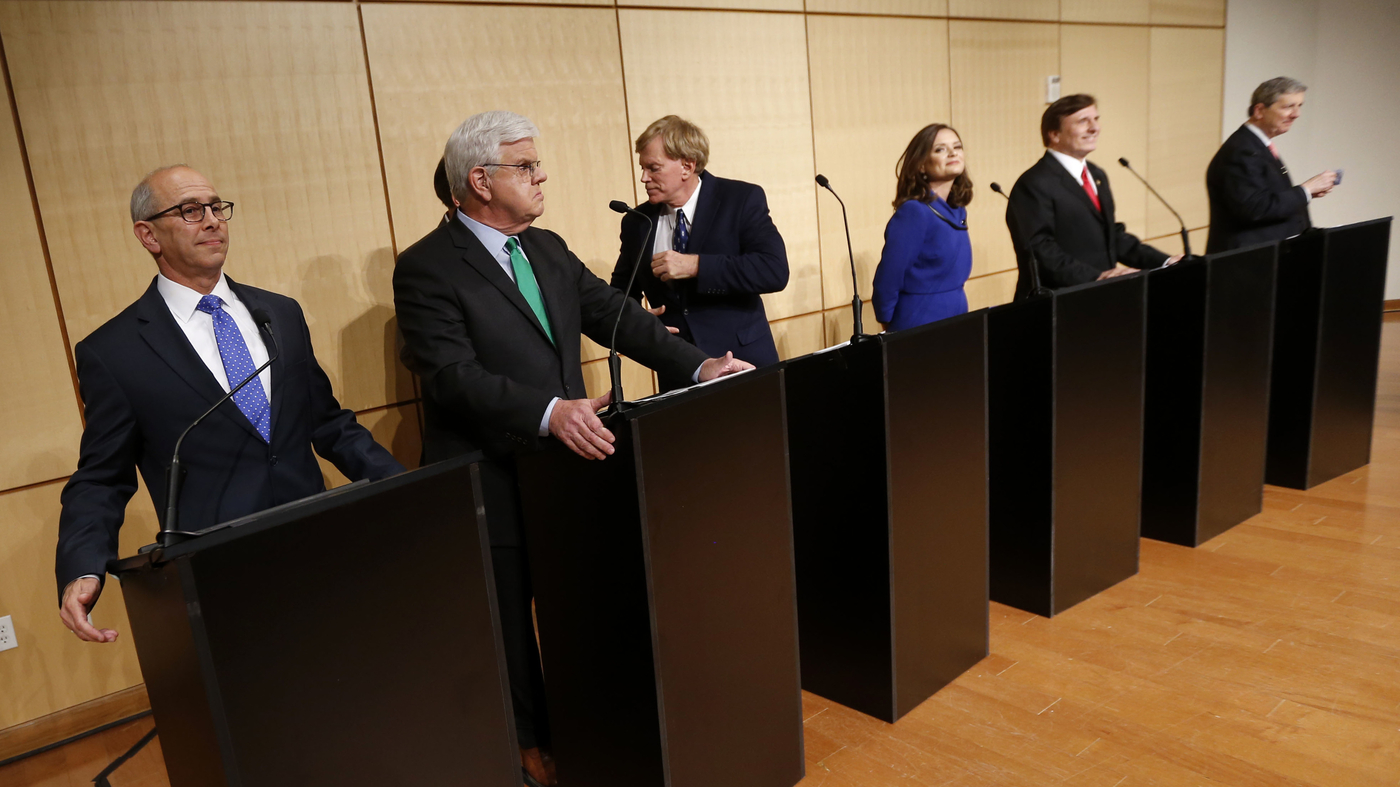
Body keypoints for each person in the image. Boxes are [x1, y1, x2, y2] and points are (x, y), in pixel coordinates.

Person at [392, 111, 751, 786]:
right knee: (508, 625)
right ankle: (529, 747)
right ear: (480, 179)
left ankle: (591, 726)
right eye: (526, 165)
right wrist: (548, 411)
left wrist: (698, 366)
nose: (541, 174)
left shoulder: (548, 248)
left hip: (568, 468)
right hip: (487, 476)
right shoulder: (426, 268)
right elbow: (449, 375)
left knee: (577, 606)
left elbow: (617, 318)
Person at [56, 165, 405, 642]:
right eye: (190, 211)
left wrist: (404, 489)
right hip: (220, 573)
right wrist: (83, 566)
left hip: (321, 545)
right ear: (147, 235)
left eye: (217, 208)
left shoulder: (279, 313)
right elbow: (101, 476)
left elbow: (329, 424)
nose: (213, 221)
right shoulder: (114, 352)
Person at [610, 115, 788, 391]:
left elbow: (773, 271)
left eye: (653, 168)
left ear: (687, 166)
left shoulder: (740, 199)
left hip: (743, 361)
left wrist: (696, 266)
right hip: (679, 373)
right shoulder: (637, 221)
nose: (644, 178)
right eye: (642, 168)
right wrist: (639, 322)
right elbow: (621, 294)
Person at [1007, 94, 1179, 298]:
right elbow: (1039, 250)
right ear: (1054, 134)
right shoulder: (1034, 183)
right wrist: (1096, 277)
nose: (1094, 128)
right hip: (1058, 301)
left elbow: (1111, 236)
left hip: (1100, 295)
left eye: (1096, 119)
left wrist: (1165, 262)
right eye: (1083, 121)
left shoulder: (1096, 175)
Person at [1206, 77, 1338, 253]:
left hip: (1271, 259)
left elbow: (1270, 198)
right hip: (1248, 264)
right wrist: (1305, 191)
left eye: (1299, 106)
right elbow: (1255, 208)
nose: (1296, 114)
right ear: (1259, 110)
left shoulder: (1258, 146)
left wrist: (1308, 192)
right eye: (1288, 106)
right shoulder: (1241, 151)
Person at [872, 123, 974, 332]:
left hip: (957, 313)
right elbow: (888, 278)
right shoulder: (914, 212)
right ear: (921, 165)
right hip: (919, 319)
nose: (953, 153)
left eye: (957, 146)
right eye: (940, 149)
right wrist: (889, 323)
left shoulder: (956, 209)